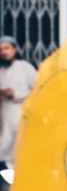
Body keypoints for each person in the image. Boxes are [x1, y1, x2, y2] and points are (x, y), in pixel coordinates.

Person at [0, 36, 38, 172]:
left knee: (22, 153)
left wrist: (16, 94)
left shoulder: (25, 68)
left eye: (7, 48)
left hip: (23, 117)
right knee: (6, 156)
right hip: (6, 120)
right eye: (1, 49)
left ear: (15, 49)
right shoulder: (2, 71)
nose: (4, 52)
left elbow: (40, 90)